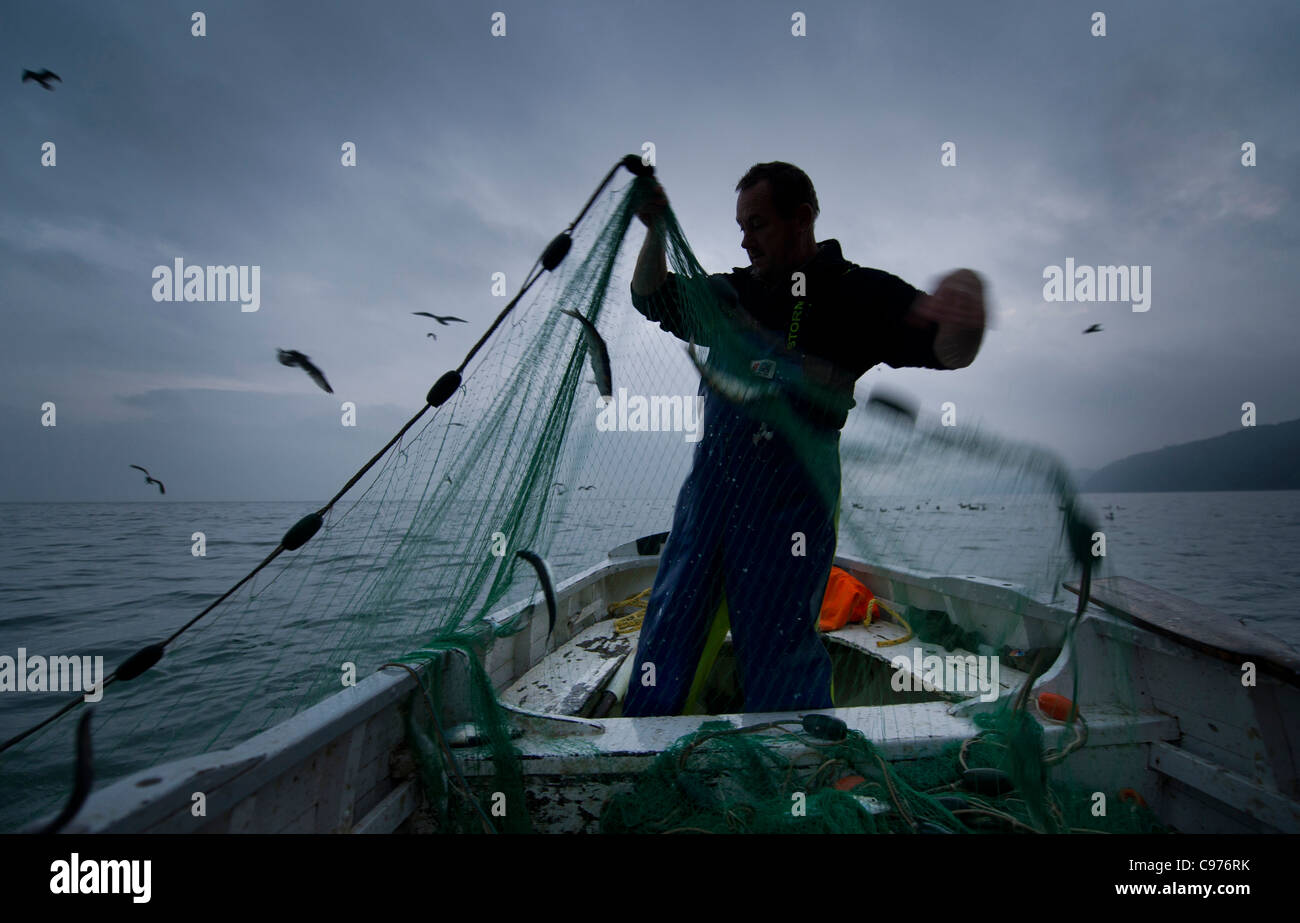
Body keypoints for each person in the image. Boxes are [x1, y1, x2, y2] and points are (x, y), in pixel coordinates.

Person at [621, 162, 986, 717]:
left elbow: (950, 350)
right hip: (709, 501)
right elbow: (649, 296)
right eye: (740, 227)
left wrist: (967, 308)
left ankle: (798, 762)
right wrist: (655, 231)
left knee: (779, 646)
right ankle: (640, 747)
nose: (745, 241)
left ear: (803, 218)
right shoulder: (729, 295)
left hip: (790, 510)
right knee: (669, 624)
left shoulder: (859, 295)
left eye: (758, 224)